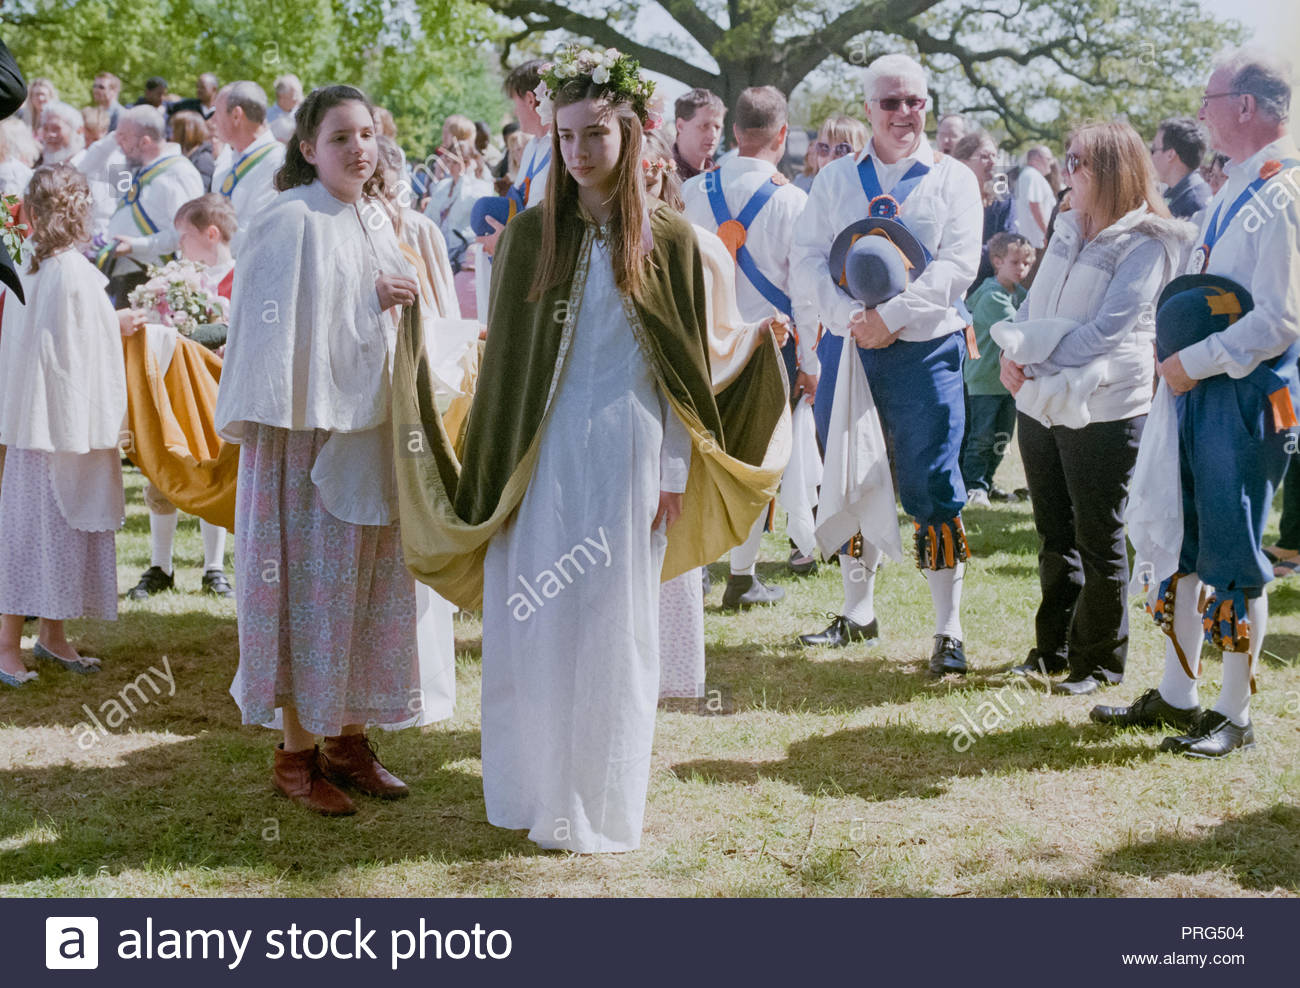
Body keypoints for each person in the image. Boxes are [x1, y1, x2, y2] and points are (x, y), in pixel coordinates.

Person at [391, 45, 788, 851]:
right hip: (539, 456)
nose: (578, 151)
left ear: (632, 135)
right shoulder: (532, 235)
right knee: (533, 617)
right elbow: (505, 366)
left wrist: (676, 468)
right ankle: (530, 789)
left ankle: (597, 799)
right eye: (566, 135)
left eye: (595, 135)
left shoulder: (670, 241)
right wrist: (494, 464)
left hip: (630, 453)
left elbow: (683, 372)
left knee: (612, 622)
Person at [214, 84, 426, 815]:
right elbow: (277, 338)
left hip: (367, 435)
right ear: (308, 148)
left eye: (367, 133)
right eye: (341, 137)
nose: (359, 148)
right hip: (304, 441)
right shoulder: (288, 218)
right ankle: (296, 751)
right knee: (310, 592)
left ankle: (349, 741)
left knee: (364, 590)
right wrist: (369, 301)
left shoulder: (369, 215)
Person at [1093, 49, 1300, 757]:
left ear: (1245, 105)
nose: (1202, 112)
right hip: (1197, 388)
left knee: (1236, 552)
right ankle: (1178, 694)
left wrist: (1194, 361)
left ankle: (1234, 713)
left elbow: (1279, 319)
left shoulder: (1282, 192)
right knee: (1183, 537)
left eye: (1211, 99)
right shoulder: (1238, 188)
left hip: (1244, 394)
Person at [792, 54, 982, 672]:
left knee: (931, 479)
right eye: (892, 103)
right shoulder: (835, 178)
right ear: (868, 107)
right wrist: (848, 316)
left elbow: (960, 265)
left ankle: (948, 630)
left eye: (917, 102)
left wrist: (891, 317)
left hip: (926, 347)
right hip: (848, 345)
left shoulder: (952, 178)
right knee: (848, 470)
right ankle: (857, 612)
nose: (905, 114)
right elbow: (808, 257)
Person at [996, 121, 1193, 694]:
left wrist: (1033, 358)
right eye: (1067, 157)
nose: (1067, 169)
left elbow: (1109, 330)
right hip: (1040, 400)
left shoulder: (1148, 241)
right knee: (1054, 533)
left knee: (1098, 537)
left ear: (1108, 170)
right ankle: (1051, 650)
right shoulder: (1063, 224)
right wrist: (1016, 347)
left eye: (1077, 160)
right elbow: (1033, 301)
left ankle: (1099, 664)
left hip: (1106, 406)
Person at [643, 126, 790, 697]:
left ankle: (668, 670)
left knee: (667, 533)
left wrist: (753, 335)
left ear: (658, 171)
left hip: (673, 409)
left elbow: (711, 340)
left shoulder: (695, 245)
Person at [682, 84, 814, 605]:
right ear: (782, 135)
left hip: (702, 342)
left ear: (734, 132)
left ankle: (692, 570)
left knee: (697, 452)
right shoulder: (793, 199)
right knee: (757, 455)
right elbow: (805, 294)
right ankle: (741, 576)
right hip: (768, 344)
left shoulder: (694, 192)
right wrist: (810, 362)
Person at [0, 165, 126, 688]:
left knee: (60, 534)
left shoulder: (35, 264)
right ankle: (6, 645)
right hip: (53, 429)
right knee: (31, 537)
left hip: (43, 422)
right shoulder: (63, 273)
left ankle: (52, 634)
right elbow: (72, 353)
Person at [126, 193, 238, 603]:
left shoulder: (240, 278)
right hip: (173, 387)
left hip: (219, 389)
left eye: (184, 237)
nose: (179, 247)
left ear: (211, 234)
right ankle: (161, 565)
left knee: (213, 467)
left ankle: (213, 568)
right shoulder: (173, 279)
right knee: (164, 469)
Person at [97, 104, 204, 305]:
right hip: (122, 276)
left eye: (123, 137)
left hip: (153, 282)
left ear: (145, 141)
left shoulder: (179, 173)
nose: (117, 142)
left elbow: (185, 235)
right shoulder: (131, 167)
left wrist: (135, 246)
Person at [961, 231, 1034, 507]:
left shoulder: (1022, 294)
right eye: (1015, 262)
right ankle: (973, 486)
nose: (1022, 268)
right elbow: (1019, 327)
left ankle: (988, 483)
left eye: (1026, 263)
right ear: (996, 261)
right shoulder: (992, 295)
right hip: (983, 379)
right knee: (981, 437)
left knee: (1001, 439)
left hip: (1007, 382)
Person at [209, 81, 285, 254]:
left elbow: (256, 231)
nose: (212, 121)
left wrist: (205, 246)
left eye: (217, 113)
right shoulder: (228, 159)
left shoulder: (277, 162)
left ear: (236, 115)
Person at [952, 130, 1012, 288]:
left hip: (989, 284)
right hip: (953, 280)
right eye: (985, 156)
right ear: (963, 161)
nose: (993, 162)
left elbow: (1006, 243)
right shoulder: (949, 197)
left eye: (994, 156)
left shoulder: (1002, 199)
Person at [1151, 116, 1211, 219]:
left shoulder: (1195, 204)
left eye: (1153, 150)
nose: (1150, 157)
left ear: (1171, 154)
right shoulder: (1177, 193)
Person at [796, 113, 868, 193]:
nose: (830, 158)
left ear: (860, 156)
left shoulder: (867, 198)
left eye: (842, 150)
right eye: (824, 148)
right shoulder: (811, 195)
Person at [673, 88, 724, 181]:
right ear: (680, 126)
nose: (713, 135)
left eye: (717, 127)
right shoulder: (661, 173)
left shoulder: (721, 179)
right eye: (704, 126)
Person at [1013, 145, 1056, 248]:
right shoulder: (1032, 175)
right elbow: (1035, 206)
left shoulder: (1030, 175)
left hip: (1034, 241)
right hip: (1036, 242)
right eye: (1048, 159)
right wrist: (1049, 234)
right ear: (1036, 159)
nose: (1052, 162)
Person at [170, 109, 215, 191]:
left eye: (174, 129)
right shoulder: (185, 154)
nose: (171, 134)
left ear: (184, 132)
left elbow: (201, 192)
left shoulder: (203, 159)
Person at [34, 100, 84, 166]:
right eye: (45, 128)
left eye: (56, 129)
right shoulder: (37, 163)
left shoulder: (85, 163)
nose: (49, 134)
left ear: (77, 131)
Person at [266, 73, 303, 142]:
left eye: (298, 94)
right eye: (293, 96)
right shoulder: (267, 117)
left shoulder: (302, 114)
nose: (297, 99)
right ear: (281, 97)